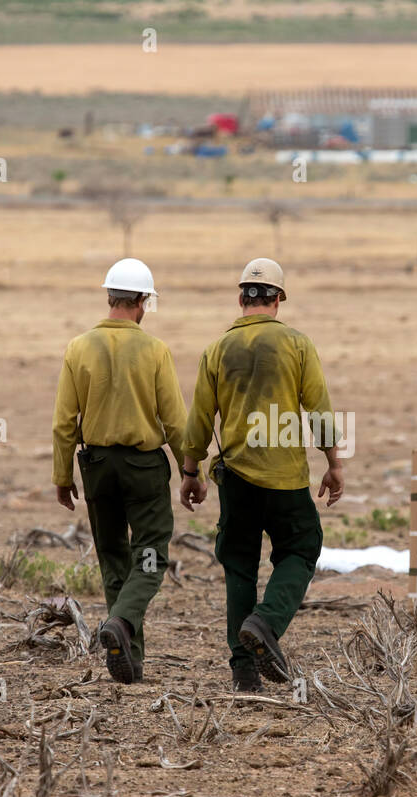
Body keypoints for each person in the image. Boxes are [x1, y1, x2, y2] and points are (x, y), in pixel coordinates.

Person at [179, 258, 344, 692]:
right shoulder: (297, 344)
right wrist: (334, 462)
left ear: (241, 299)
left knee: (239, 566)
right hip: (286, 477)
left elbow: (198, 418)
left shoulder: (216, 349)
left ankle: (244, 671)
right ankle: (266, 623)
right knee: (302, 546)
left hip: (235, 477)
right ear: (278, 299)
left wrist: (190, 470)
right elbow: (319, 410)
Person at [51, 257, 186, 684]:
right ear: (143, 301)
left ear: (109, 297)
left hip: (95, 467)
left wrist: (61, 475)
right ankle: (124, 627)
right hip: (143, 468)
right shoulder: (155, 350)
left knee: (112, 557)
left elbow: (63, 423)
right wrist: (191, 470)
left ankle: (131, 656)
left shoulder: (78, 347)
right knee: (150, 554)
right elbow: (176, 422)